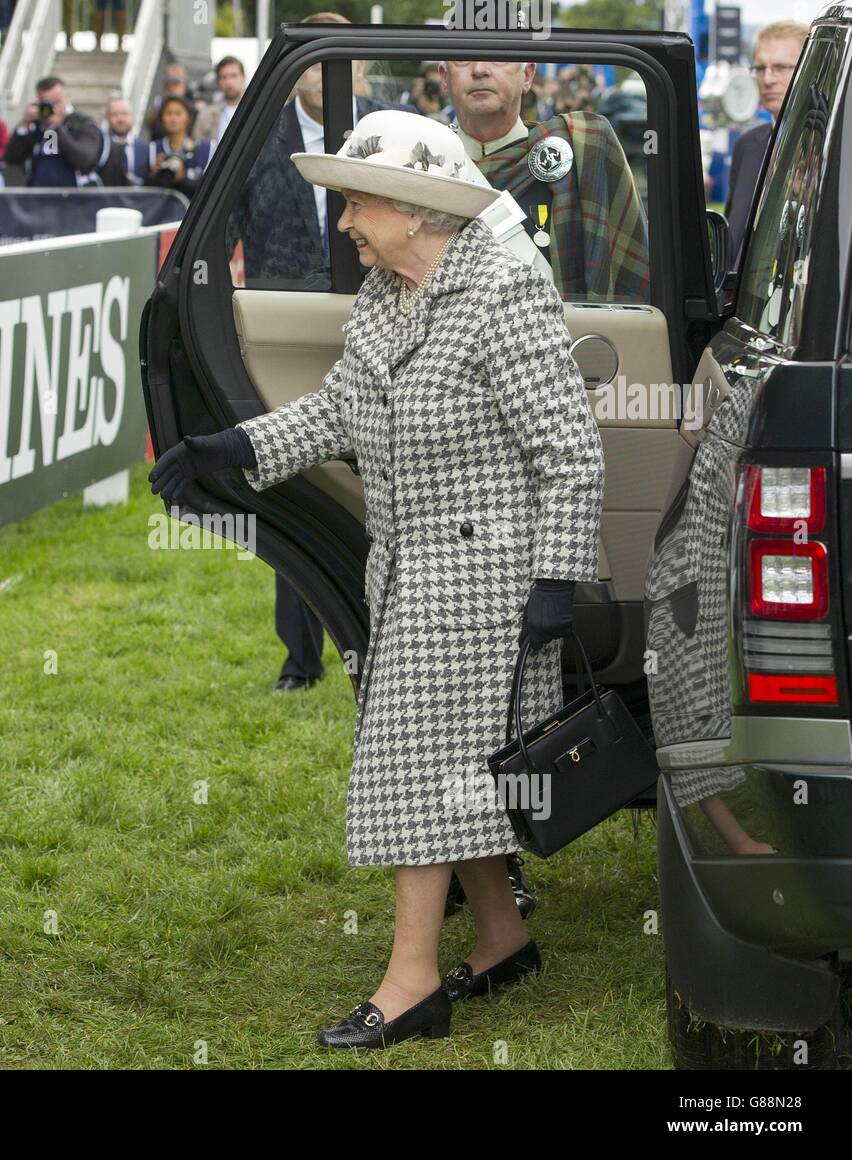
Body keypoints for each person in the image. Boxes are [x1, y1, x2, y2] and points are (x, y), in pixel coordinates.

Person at [150, 109, 604, 1049]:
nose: (347, 222)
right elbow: (343, 412)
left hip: (485, 576)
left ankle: (411, 983)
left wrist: (556, 584)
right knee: (451, 769)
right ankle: (501, 933)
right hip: (407, 563)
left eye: (358, 203)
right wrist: (225, 449)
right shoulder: (391, 294)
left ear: (416, 209)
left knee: (415, 767)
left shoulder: (503, 290)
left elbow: (571, 454)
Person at [225, 11, 389, 694]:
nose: (327, 75)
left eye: (340, 61)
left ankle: (381, 648)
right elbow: (223, 225)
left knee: (377, 488)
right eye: (315, 63)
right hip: (287, 333)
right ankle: (301, 658)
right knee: (294, 486)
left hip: (378, 328)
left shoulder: (387, 136)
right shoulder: (257, 136)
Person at [442, 57, 651, 302]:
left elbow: (629, 284)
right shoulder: (421, 161)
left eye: (498, 57)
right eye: (463, 59)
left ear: (528, 75)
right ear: (445, 78)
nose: (479, 69)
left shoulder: (586, 144)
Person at [726, 20, 809, 268]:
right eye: (760, 68)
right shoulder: (747, 145)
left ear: (810, 69)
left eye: (781, 67)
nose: (767, 79)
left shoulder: (831, 146)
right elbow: (734, 235)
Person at [3, 76, 105, 186]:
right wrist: (24, 125)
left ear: (66, 97)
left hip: (74, 196)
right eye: (46, 103)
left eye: (56, 101)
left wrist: (56, 127)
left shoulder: (83, 124)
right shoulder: (36, 126)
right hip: (38, 196)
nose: (51, 107)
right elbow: (11, 159)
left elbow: (84, 159)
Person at [145, 95, 213, 200]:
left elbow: (208, 190)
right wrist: (154, 174)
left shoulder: (206, 149)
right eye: (168, 113)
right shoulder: (153, 149)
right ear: (161, 118)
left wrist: (182, 178)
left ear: (188, 117)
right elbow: (146, 191)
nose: (173, 118)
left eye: (178, 113)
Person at [97, 96, 150, 186]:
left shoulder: (146, 148)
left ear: (133, 116)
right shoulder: (99, 147)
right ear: (107, 117)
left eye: (125, 114)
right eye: (115, 114)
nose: (120, 119)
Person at [194, 55, 246, 143]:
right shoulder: (206, 115)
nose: (229, 82)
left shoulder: (257, 109)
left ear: (243, 77)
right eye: (224, 77)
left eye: (233, 76)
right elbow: (199, 149)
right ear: (218, 82)